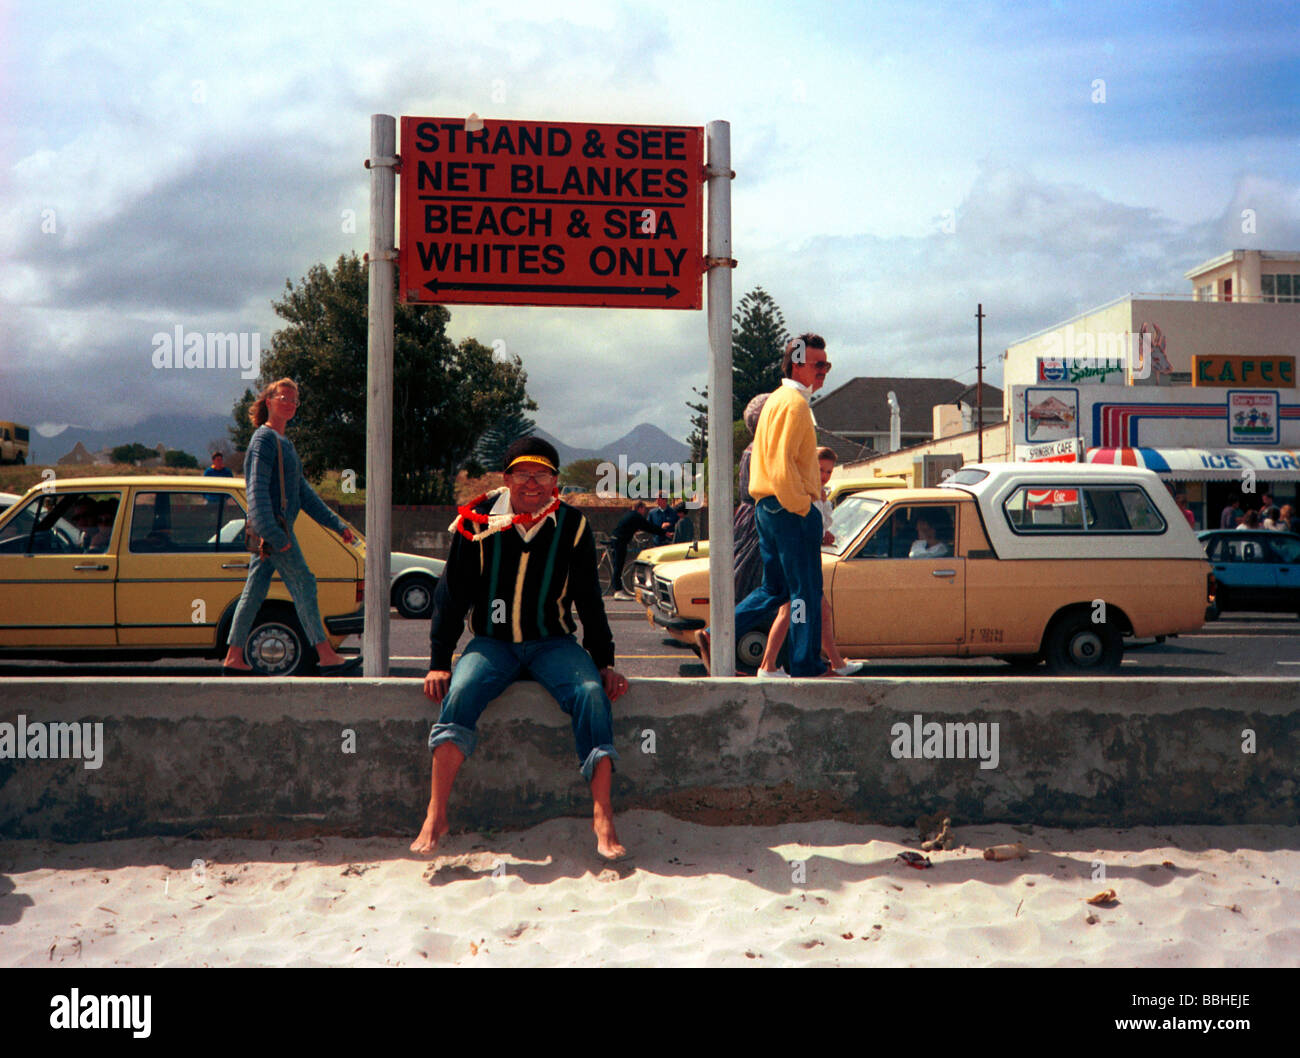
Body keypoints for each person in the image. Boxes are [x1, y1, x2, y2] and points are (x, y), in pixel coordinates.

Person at [413, 436, 629, 861]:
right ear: (507, 478)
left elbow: (589, 598)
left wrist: (604, 661)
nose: (533, 483)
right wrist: (440, 662)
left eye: (543, 474)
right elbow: (452, 595)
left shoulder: (572, 525)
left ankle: (603, 815)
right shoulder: (476, 523)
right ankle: (436, 814)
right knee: (460, 690)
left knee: (590, 694)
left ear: (555, 482)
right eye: (523, 474)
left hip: (553, 643)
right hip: (493, 644)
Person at [697, 333, 832, 678]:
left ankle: (714, 634)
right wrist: (803, 505)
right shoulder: (796, 403)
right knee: (804, 593)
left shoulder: (774, 400)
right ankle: (805, 664)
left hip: (766, 508)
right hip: (790, 511)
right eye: (819, 365)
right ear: (798, 363)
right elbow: (784, 462)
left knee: (775, 588)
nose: (824, 372)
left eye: (826, 365)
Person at [221, 378, 360, 677]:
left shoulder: (284, 444)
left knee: (254, 591)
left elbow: (304, 494)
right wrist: (274, 535)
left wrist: (337, 525)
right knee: (305, 583)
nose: (289, 403)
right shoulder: (264, 439)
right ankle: (325, 655)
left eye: (294, 401)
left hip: (274, 530)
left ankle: (233, 656)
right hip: (274, 530)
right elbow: (255, 490)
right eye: (283, 397)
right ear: (268, 401)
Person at [755, 446, 862, 678]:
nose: (824, 476)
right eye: (820, 470)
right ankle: (770, 665)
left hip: (807, 562)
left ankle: (833, 661)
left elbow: (820, 526)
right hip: (799, 564)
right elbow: (808, 527)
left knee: (819, 611)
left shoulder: (817, 494)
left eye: (829, 472)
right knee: (791, 612)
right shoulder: (802, 493)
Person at [608, 500, 668, 600]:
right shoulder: (636, 517)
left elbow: (635, 527)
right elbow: (648, 527)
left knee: (617, 566)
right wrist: (663, 532)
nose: (645, 512)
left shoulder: (631, 515)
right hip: (619, 542)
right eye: (644, 509)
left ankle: (618, 590)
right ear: (640, 508)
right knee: (618, 566)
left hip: (616, 539)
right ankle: (618, 591)